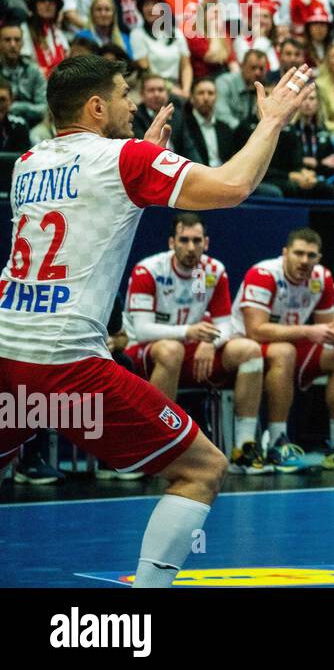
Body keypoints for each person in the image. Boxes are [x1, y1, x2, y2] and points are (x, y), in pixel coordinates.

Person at [0, 50, 313, 585]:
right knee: (202, 469)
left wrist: (145, 168)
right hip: (65, 362)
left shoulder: (27, 163)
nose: (133, 103)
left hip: (7, 352)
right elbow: (234, 186)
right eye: (125, 94)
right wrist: (273, 120)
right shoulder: (126, 160)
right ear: (98, 107)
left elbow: (91, 210)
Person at [123, 214, 267, 474]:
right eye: (184, 240)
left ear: (206, 242)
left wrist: (211, 341)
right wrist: (190, 331)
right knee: (171, 349)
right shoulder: (150, 270)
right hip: (146, 352)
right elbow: (143, 330)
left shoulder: (209, 272)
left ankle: (244, 447)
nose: (191, 247)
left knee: (250, 350)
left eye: (197, 241)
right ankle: (157, 448)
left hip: (193, 352)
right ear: (171, 242)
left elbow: (225, 325)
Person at [231, 227, 334, 473]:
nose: (305, 261)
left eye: (311, 256)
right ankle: (277, 441)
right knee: (284, 351)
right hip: (247, 348)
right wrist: (307, 332)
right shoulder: (263, 274)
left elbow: (327, 327)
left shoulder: (322, 278)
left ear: (319, 258)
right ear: (285, 253)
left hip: (291, 346)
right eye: (299, 254)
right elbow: (255, 330)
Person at [171, 76, 235, 166]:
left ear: (216, 98)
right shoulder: (183, 125)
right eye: (201, 93)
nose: (206, 98)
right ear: (192, 98)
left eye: (210, 93)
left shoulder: (224, 128)